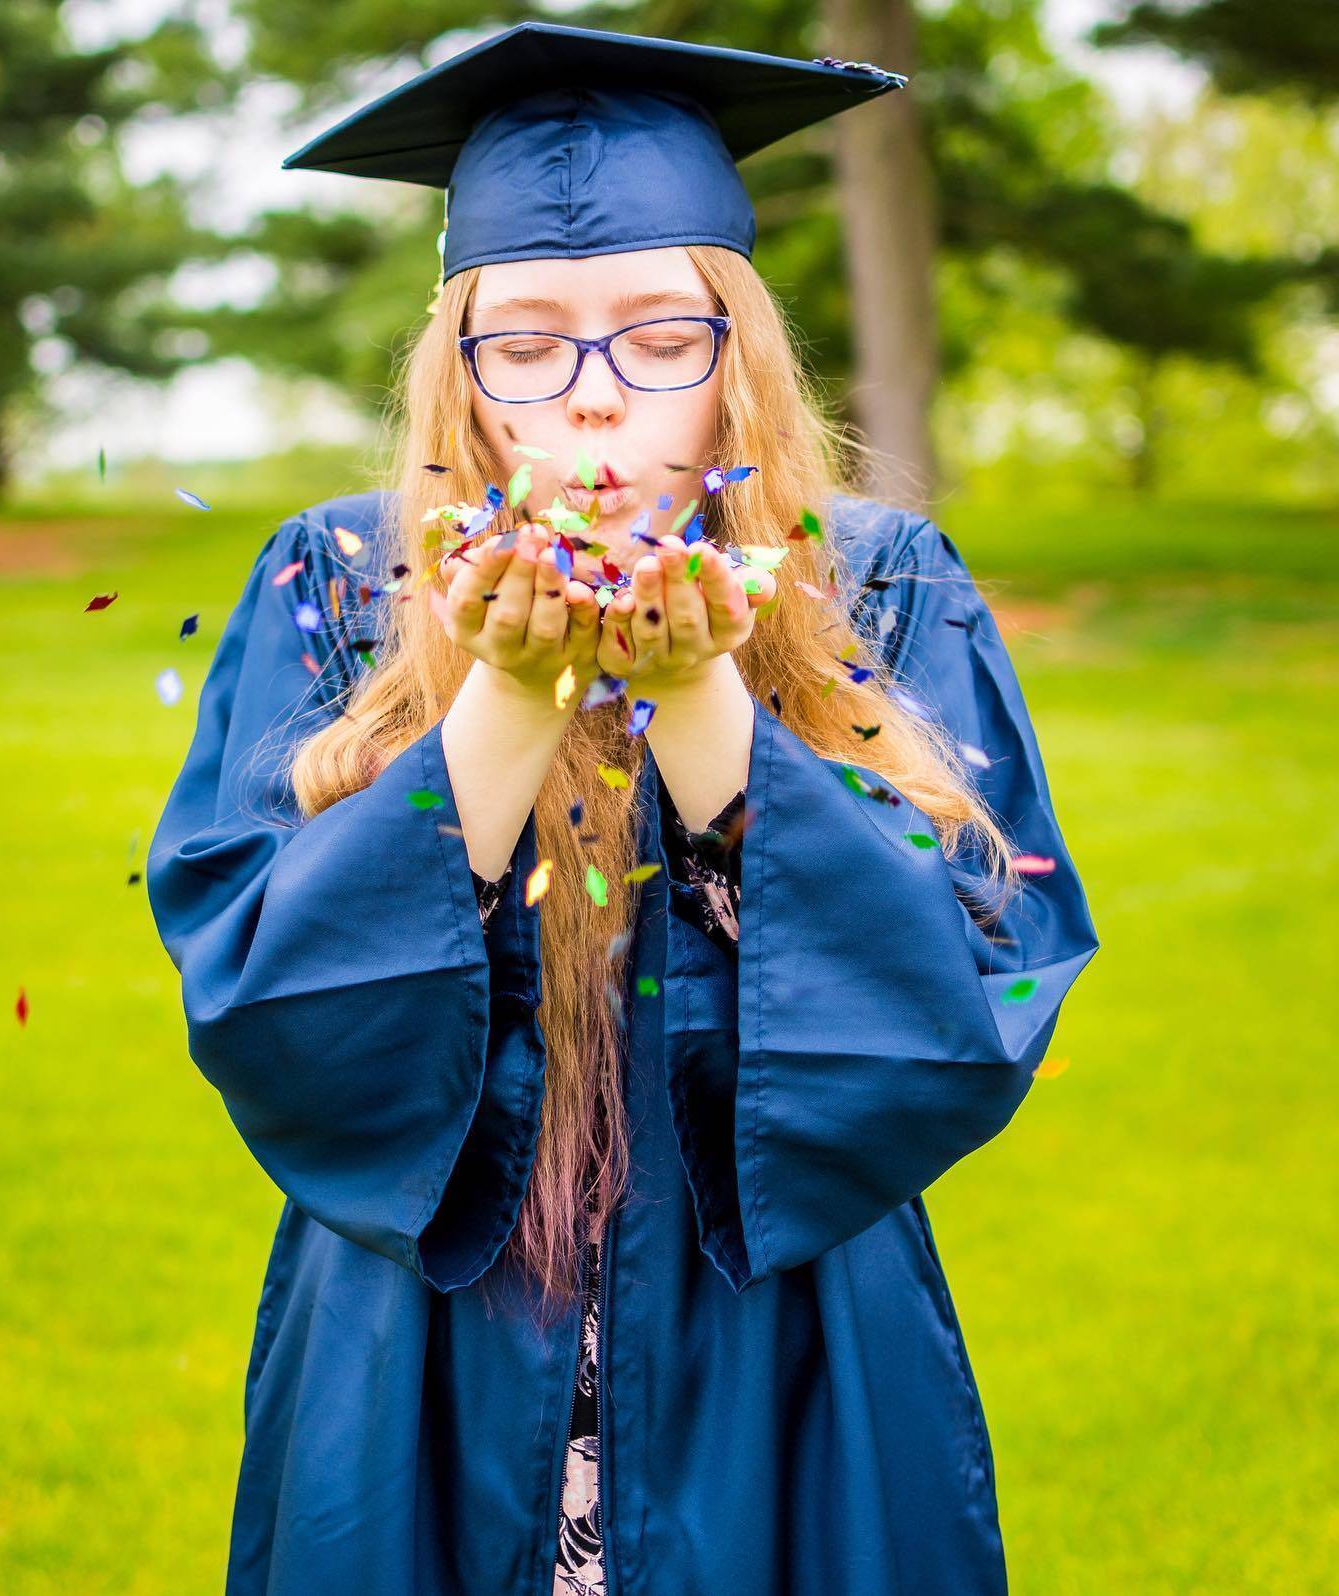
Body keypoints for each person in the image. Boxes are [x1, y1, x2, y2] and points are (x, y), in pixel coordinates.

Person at [146, 22, 1099, 1596]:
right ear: (461, 374)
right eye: (525, 342)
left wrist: (712, 702)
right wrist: (505, 700)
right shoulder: (334, 583)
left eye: (660, 335)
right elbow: (274, 1015)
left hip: (788, 1348)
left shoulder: (882, 581)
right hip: (415, 1355)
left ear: (740, 357)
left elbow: (968, 1003)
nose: (593, 401)